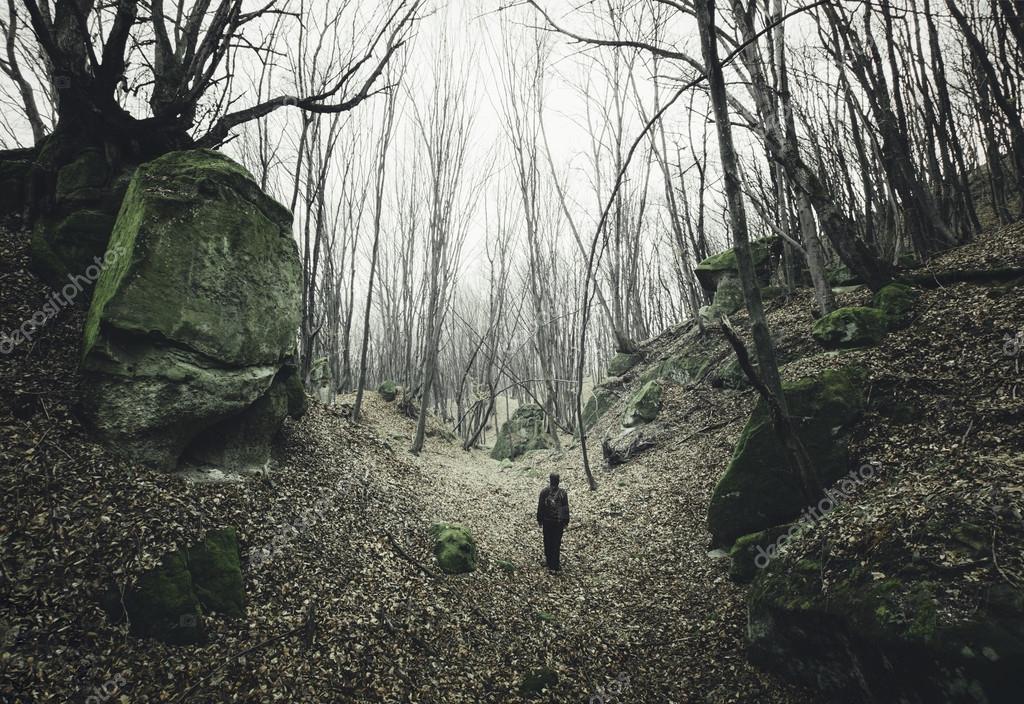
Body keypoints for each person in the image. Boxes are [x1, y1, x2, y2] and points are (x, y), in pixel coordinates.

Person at [536, 472, 570, 572]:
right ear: (558, 481)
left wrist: (539, 519)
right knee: (556, 542)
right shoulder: (563, 493)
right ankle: (555, 564)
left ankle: (549, 561)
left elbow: (540, 507)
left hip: (547, 521)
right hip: (558, 523)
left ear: (550, 480)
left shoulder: (544, 492)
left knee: (547, 541)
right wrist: (566, 521)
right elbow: (565, 508)